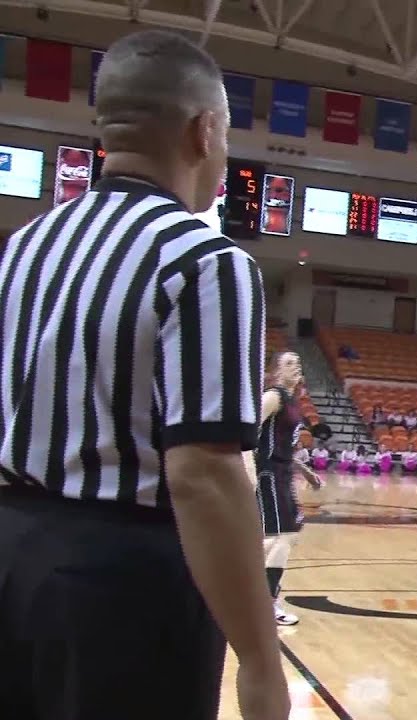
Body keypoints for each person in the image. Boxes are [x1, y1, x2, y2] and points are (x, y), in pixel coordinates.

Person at [0, 30, 288, 719]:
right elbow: (203, 476)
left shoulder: (23, 247)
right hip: (121, 585)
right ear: (204, 130)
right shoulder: (206, 261)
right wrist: (259, 660)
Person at [254, 352, 322, 626]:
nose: (297, 366)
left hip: (281, 472)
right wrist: (247, 467)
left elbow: (280, 443)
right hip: (268, 473)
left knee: (284, 537)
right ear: (276, 371)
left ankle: (260, 596)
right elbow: (249, 431)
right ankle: (263, 601)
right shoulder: (274, 396)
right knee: (277, 537)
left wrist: (304, 470)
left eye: (298, 362)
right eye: (289, 363)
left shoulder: (292, 401)